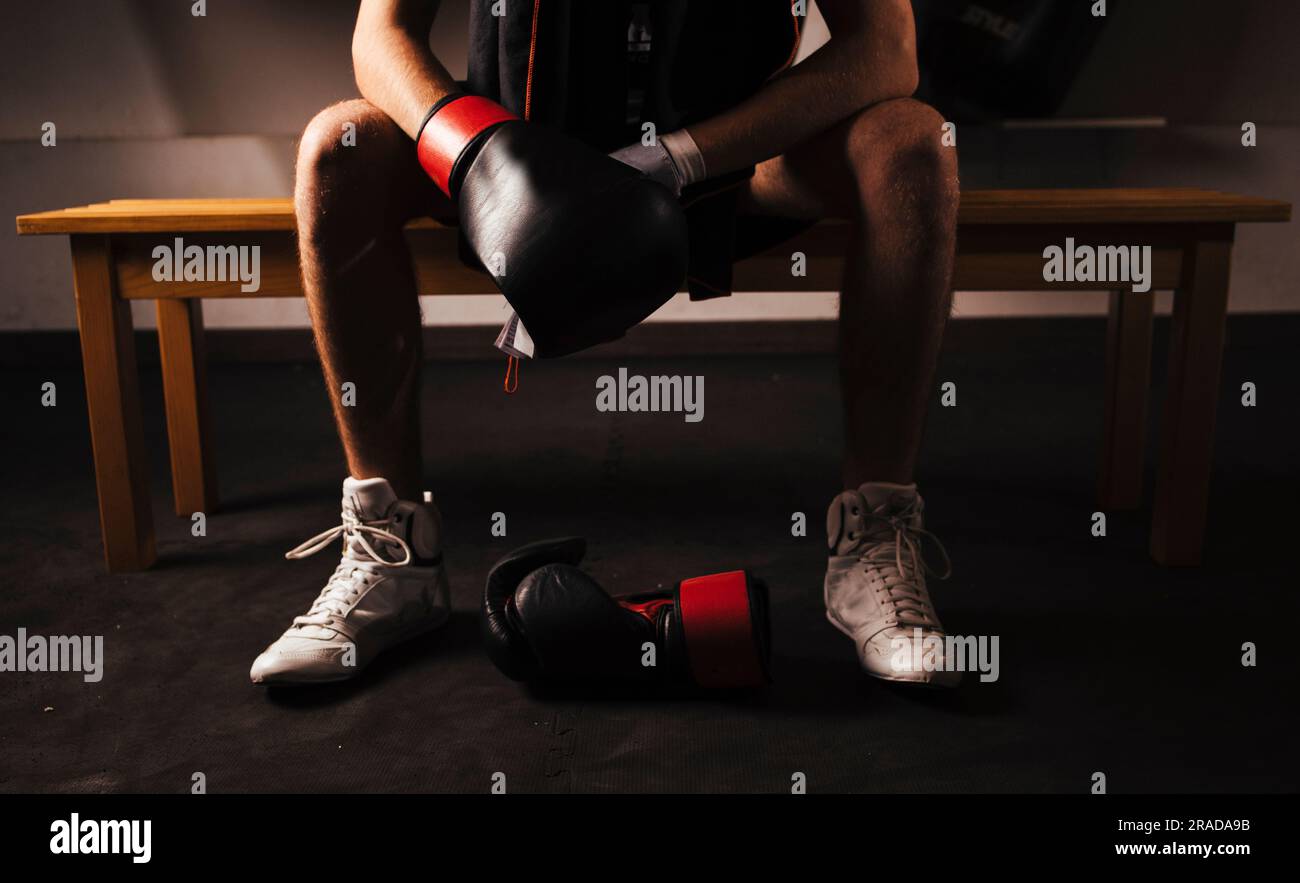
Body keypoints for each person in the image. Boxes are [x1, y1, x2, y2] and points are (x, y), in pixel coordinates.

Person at [250, 0, 961, 688]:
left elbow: (885, 49)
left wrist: (679, 157)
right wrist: (477, 153)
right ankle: (392, 551)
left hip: (733, 161)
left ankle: (875, 531)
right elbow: (380, 35)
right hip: (511, 163)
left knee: (911, 141)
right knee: (337, 149)